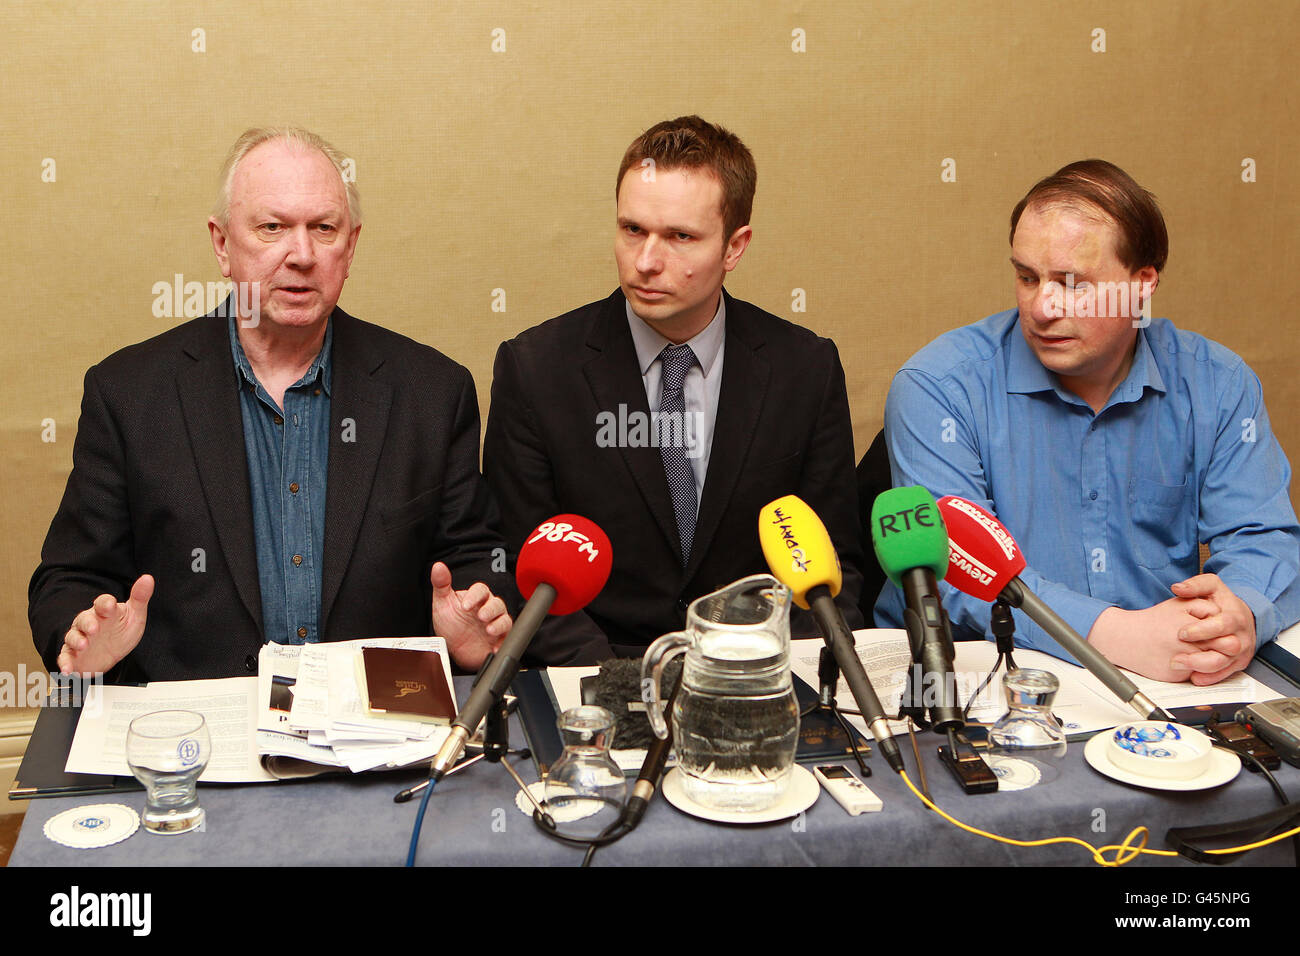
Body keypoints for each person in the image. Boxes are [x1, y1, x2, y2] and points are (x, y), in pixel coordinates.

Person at [30, 127, 512, 682]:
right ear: (222, 244)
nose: (301, 254)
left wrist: (479, 626)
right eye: (272, 227)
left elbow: (478, 561)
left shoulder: (432, 391)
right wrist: (80, 633)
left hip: (376, 735)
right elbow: (67, 578)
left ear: (351, 246)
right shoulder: (129, 394)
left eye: (323, 228)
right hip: (194, 738)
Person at [875, 159, 1300, 685]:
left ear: (1142, 285)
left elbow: (1266, 536)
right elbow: (955, 571)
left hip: (1171, 676)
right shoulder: (938, 385)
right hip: (975, 679)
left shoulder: (1217, 382)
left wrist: (1237, 615)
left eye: (1073, 284)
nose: (1043, 307)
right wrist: (1117, 635)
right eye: (1027, 277)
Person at [484, 115, 864, 664]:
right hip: (597, 679)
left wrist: (768, 681)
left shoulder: (805, 368)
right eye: (632, 229)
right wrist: (621, 690)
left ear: (735, 247)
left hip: (757, 675)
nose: (645, 262)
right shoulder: (536, 369)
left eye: (680, 237)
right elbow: (524, 571)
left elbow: (835, 571)